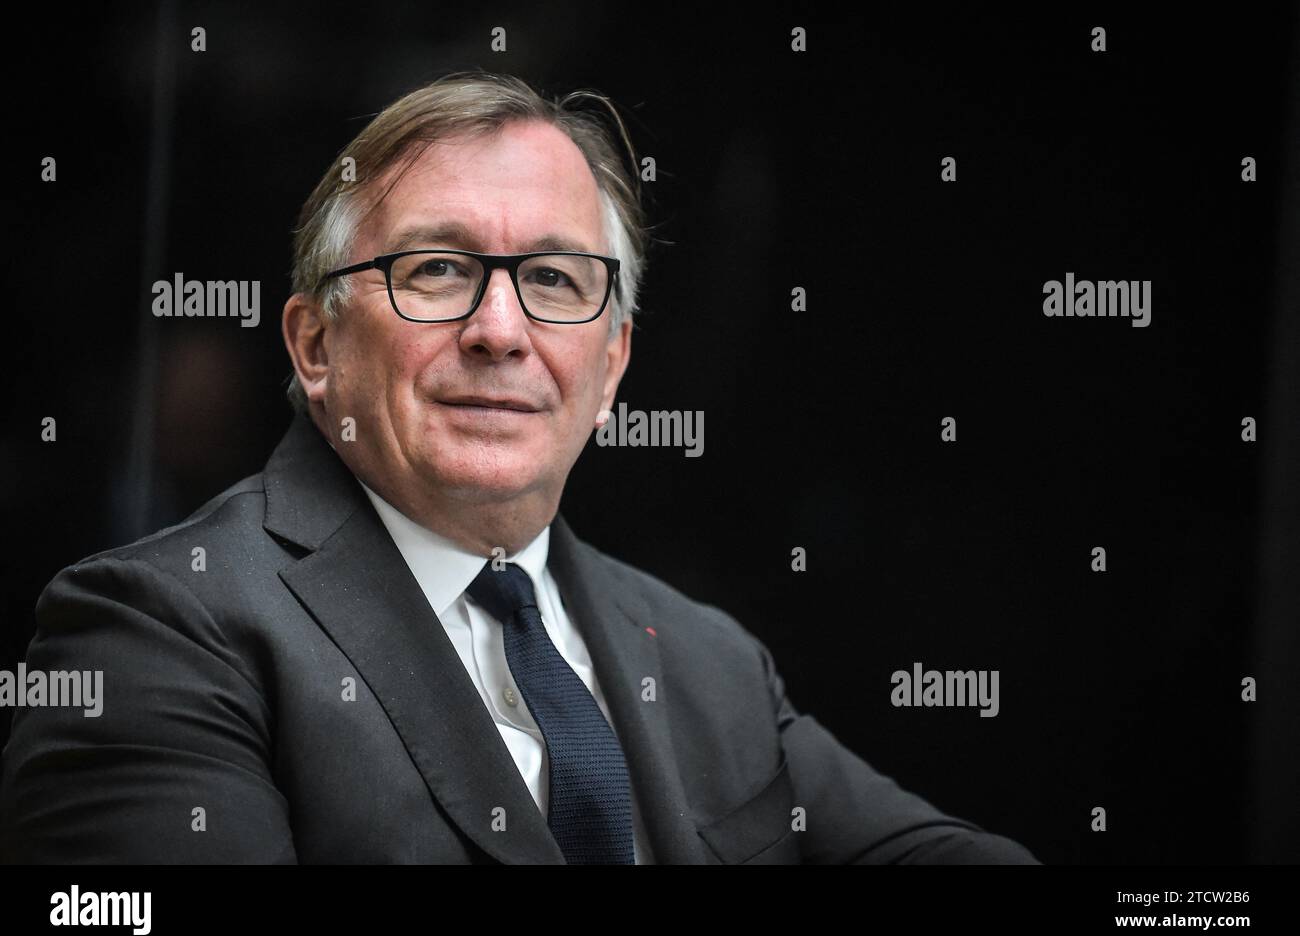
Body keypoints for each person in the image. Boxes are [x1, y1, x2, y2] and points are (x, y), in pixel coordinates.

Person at [0, 71, 1039, 864]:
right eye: (439, 269)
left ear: (612, 363)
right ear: (315, 346)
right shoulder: (157, 630)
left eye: (551, 277)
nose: (502, 330)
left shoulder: (708, 658)